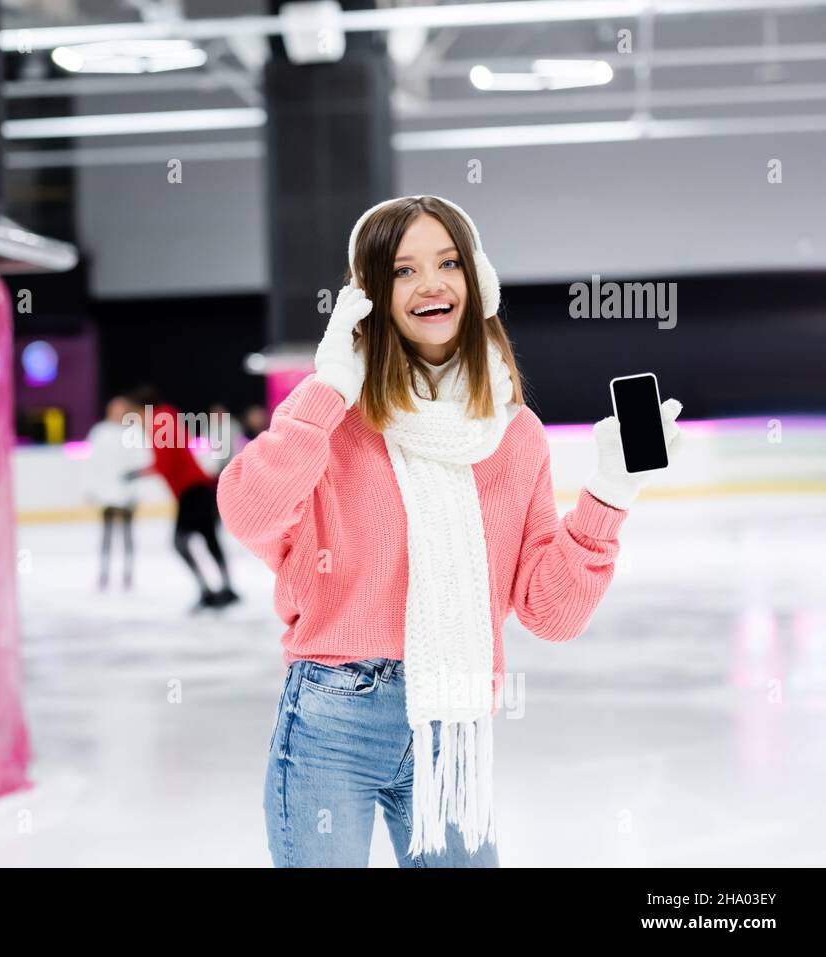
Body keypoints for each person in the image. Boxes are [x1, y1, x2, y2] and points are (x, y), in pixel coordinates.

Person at [216, 194, 684, 868]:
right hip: (333, 716)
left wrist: (609, 494)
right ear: (370, 295)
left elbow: (549, 612)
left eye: (448, 262)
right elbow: (251, 511)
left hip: (453, 728)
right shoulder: (332, 417)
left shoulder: (514, 434)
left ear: (477, 279)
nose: (432, 282)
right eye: (403, 271)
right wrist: (327, 388)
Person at [124, 386, 240, 613]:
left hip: (192, 491)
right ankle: (224, 588)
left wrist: (138, 473)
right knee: (208, 538)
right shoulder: (166, 417)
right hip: (196, 488)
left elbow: (165, 462)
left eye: (134, 414)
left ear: (141, 409)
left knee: (181, 541)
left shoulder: (160, 421)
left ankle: (209, 589)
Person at [85, 396, 151, 591]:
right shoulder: (100, 432)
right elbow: (92, 463)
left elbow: (142, 460)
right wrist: (92, 489)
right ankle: (104, 573)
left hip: (127, 492)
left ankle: (127, 574)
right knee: (107, 535)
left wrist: (136, 488)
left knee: (127, 535)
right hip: (106, 493)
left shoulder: (133, 431)